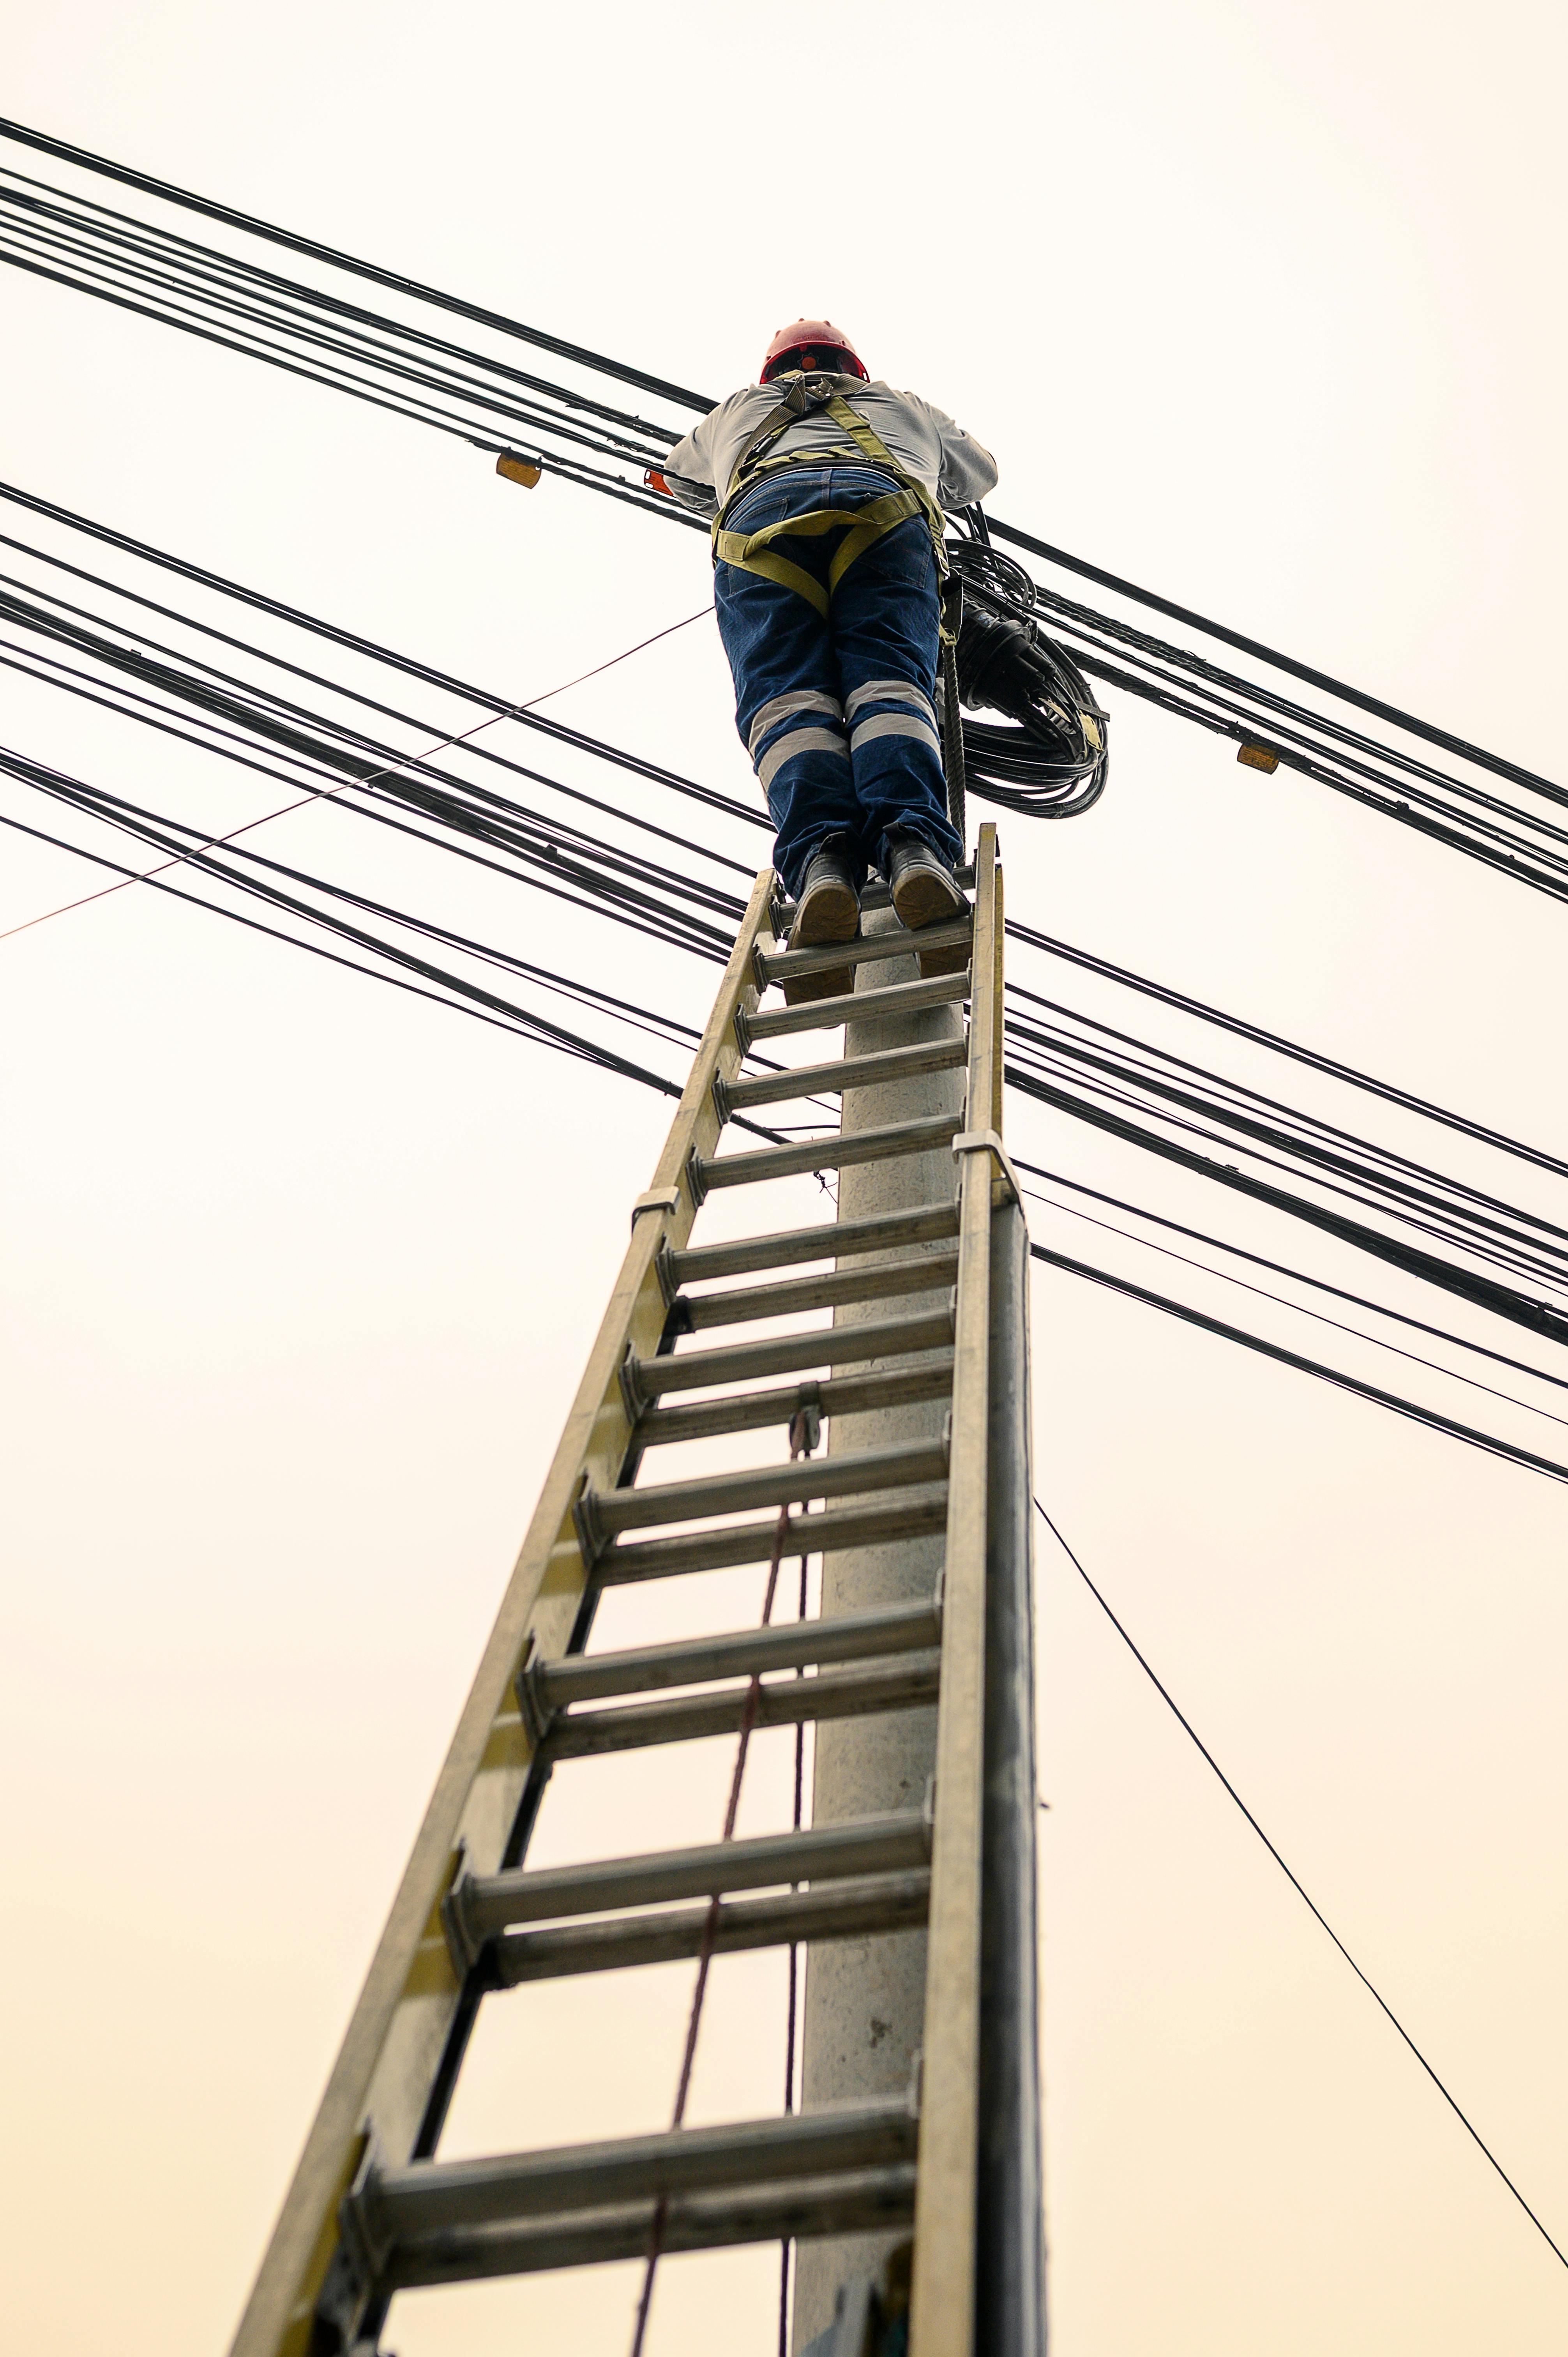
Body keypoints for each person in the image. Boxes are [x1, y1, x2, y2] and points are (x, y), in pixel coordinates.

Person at [658, 320, 997, 999]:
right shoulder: (905, 405)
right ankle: (913, 851)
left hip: (760, 531)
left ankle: (822, 867)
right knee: (889, 686)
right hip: (885, 512)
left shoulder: (735, 412)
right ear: (857, 368)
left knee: (788, 704)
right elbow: (981, 473)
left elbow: (678, 480)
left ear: (771, 372)